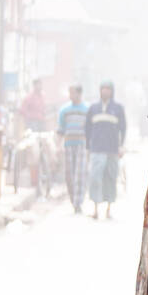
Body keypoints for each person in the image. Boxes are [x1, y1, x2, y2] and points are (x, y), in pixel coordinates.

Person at [85, 80, 126, 218]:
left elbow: (123, 128)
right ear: (99, 90)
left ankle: (108, 208)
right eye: (103, 89)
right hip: (96, 149)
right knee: (95, 178)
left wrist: (121, 146)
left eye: (108, 89)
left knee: (110, 178)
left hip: (112, 149)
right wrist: (87, 148)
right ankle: (95, 209)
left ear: (112, 91)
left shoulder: (118, 109)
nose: (105, 91)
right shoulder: (93, 108)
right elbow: (87, 129)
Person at [57, 83, 88, 213]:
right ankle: (73, 199)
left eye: (72, 92)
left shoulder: (87, 109)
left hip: (82, 145)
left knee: (80, 173)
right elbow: (60, 130)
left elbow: (90, 129)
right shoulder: (64, 110)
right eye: (69, 93)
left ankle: (78, 202)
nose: (70, 95)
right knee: (69, 174)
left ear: (79, 93)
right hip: (68, 145)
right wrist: (58, 146)